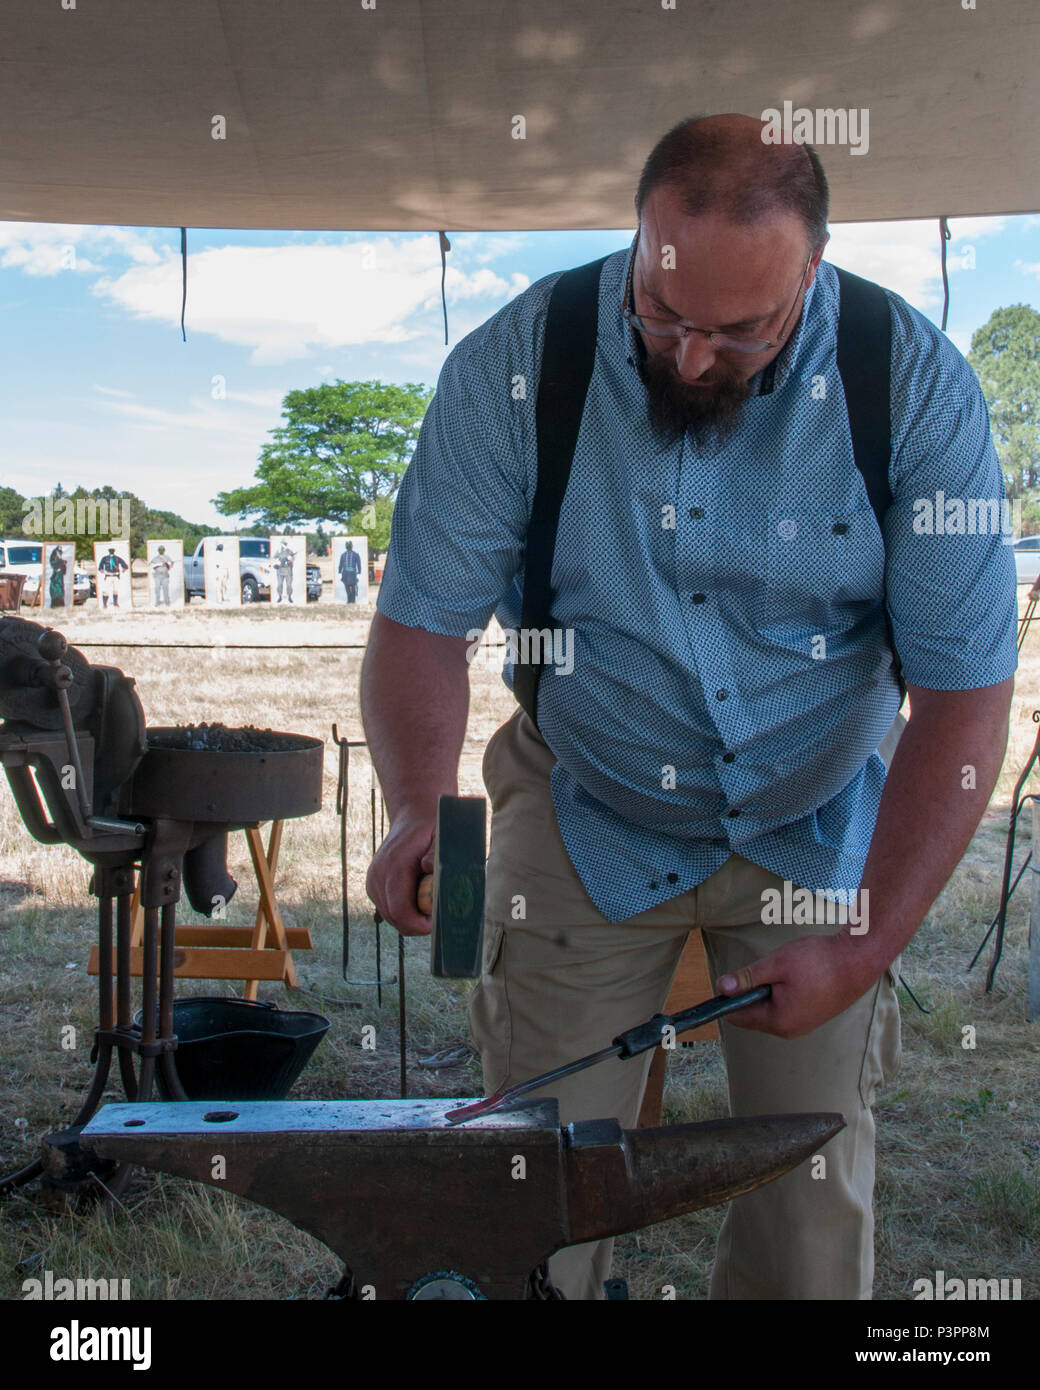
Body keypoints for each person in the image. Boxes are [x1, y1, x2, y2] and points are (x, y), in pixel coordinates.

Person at [361, 114, 1017, 1300]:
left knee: (806, 1200)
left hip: (815, 822)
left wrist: (866, 941)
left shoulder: (909, 384)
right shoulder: (516, 365)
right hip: (585, 805)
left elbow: (964, 705)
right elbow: (421, 623)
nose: (693, 358)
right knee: (530, 1178)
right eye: (662, 318)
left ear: (811, 272)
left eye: (738, 331)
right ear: (636, 239)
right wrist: (419, 803)